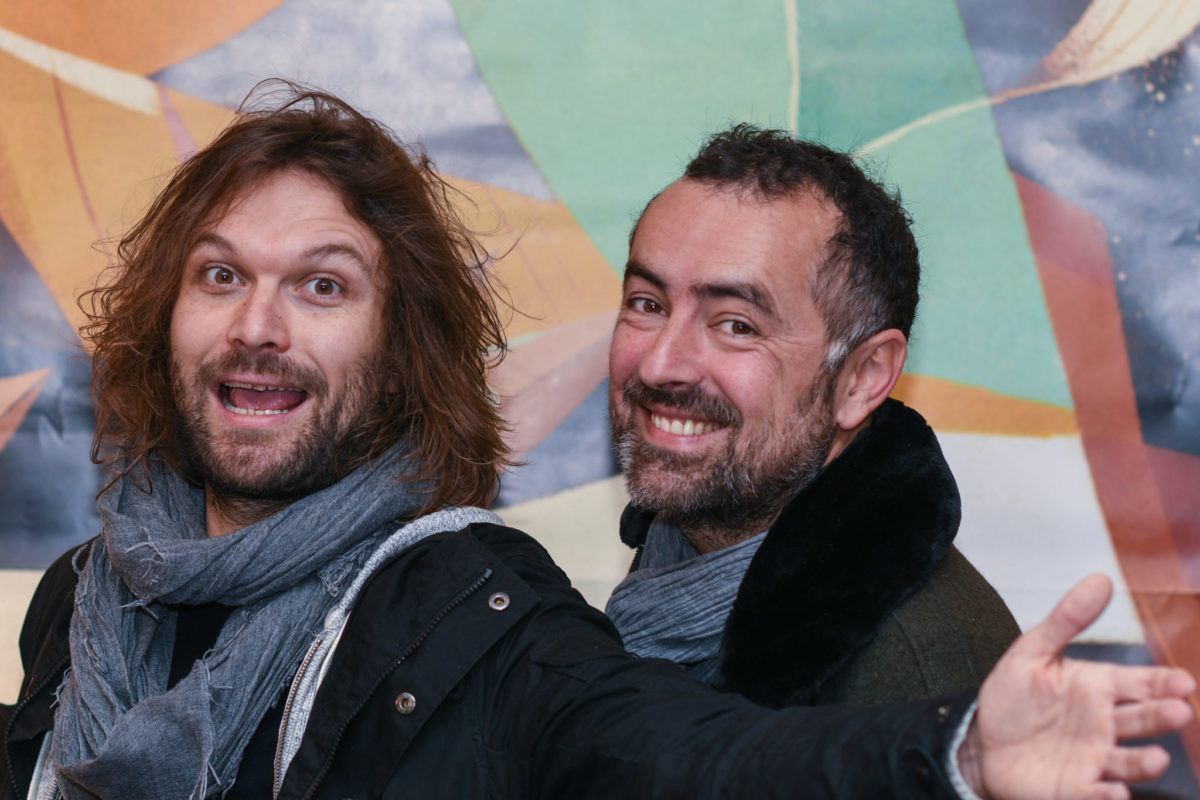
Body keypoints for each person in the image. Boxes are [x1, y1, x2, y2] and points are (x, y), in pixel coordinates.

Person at [1, 83, 1192, 800]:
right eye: (220, 275)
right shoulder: (85, 591)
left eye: (321, 286)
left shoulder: (467, 606)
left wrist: (958, 749)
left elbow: (685, 756)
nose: (257, 326)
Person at [605, 125, 1021, 707]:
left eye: (736, 325)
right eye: (648, 305)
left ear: (863, 378)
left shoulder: (921, 685)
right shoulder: (681, 555)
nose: (659, 365)